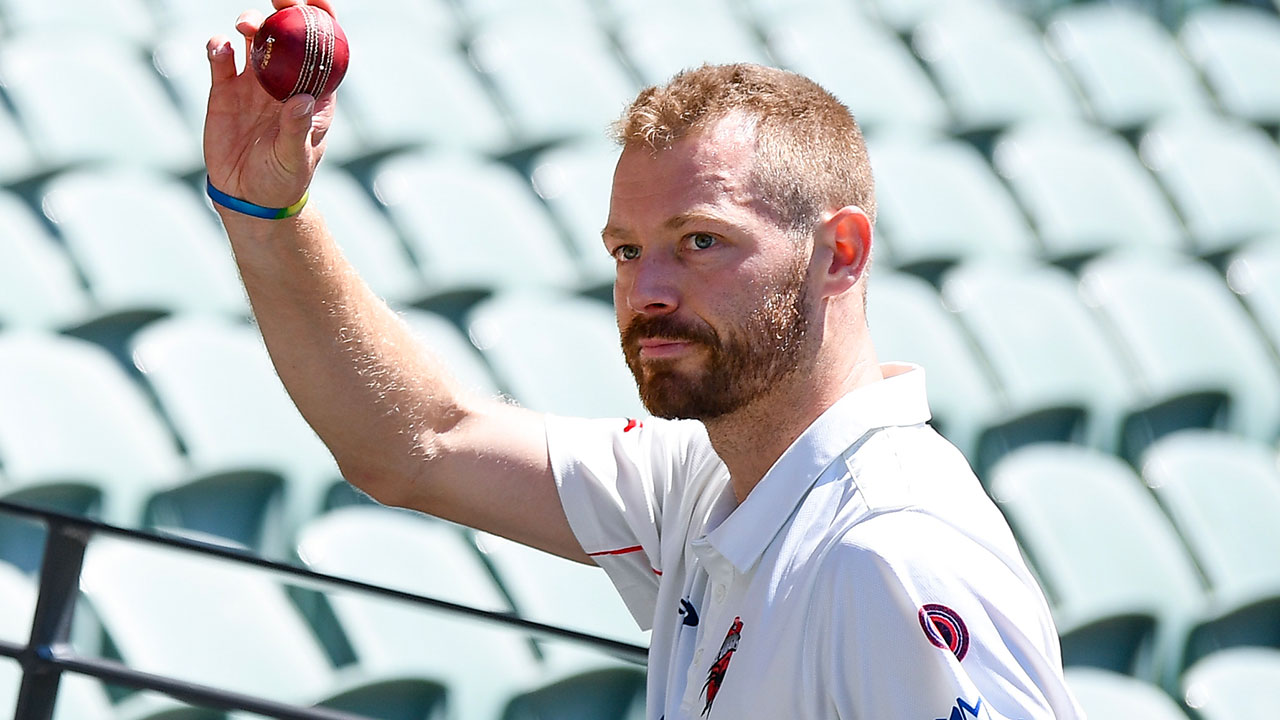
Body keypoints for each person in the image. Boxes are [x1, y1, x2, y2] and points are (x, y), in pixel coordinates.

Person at [204, 2, 1084, 717]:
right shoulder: (710, 481)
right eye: (625, 251)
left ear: (841, 253)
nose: (648, 290)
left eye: (699, 241)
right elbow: (418, 445)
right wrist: (263, 214)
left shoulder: (888, 554)